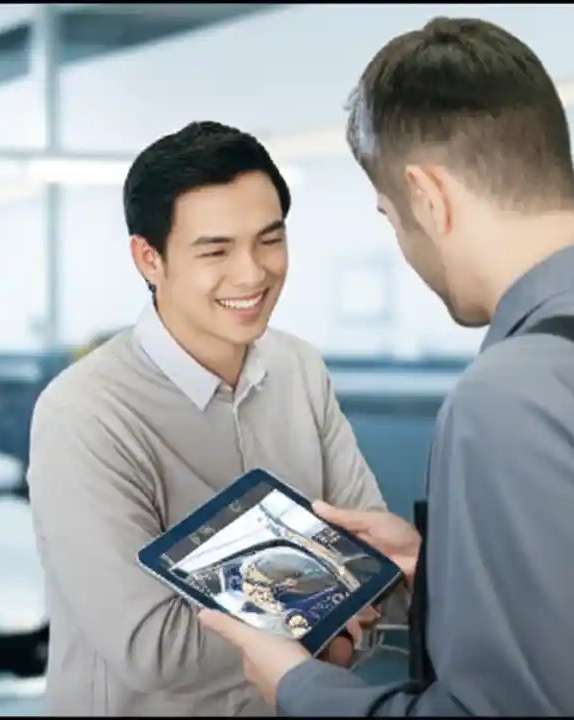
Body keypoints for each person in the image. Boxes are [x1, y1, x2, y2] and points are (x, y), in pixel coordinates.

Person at [198, 16, 574, 717]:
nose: (404, 242)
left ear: (428, 197)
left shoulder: (511, 400)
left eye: (391, 216)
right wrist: (453, 575)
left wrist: (299, 685)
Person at [25, 120, 394, 717]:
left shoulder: (299, 369)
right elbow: (155, 648)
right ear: (149, 259)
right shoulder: (86, 413)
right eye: (216, 250)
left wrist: (325, 595)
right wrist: (329, 599)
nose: (252, 273)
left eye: (269, 240)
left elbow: (376, 566)